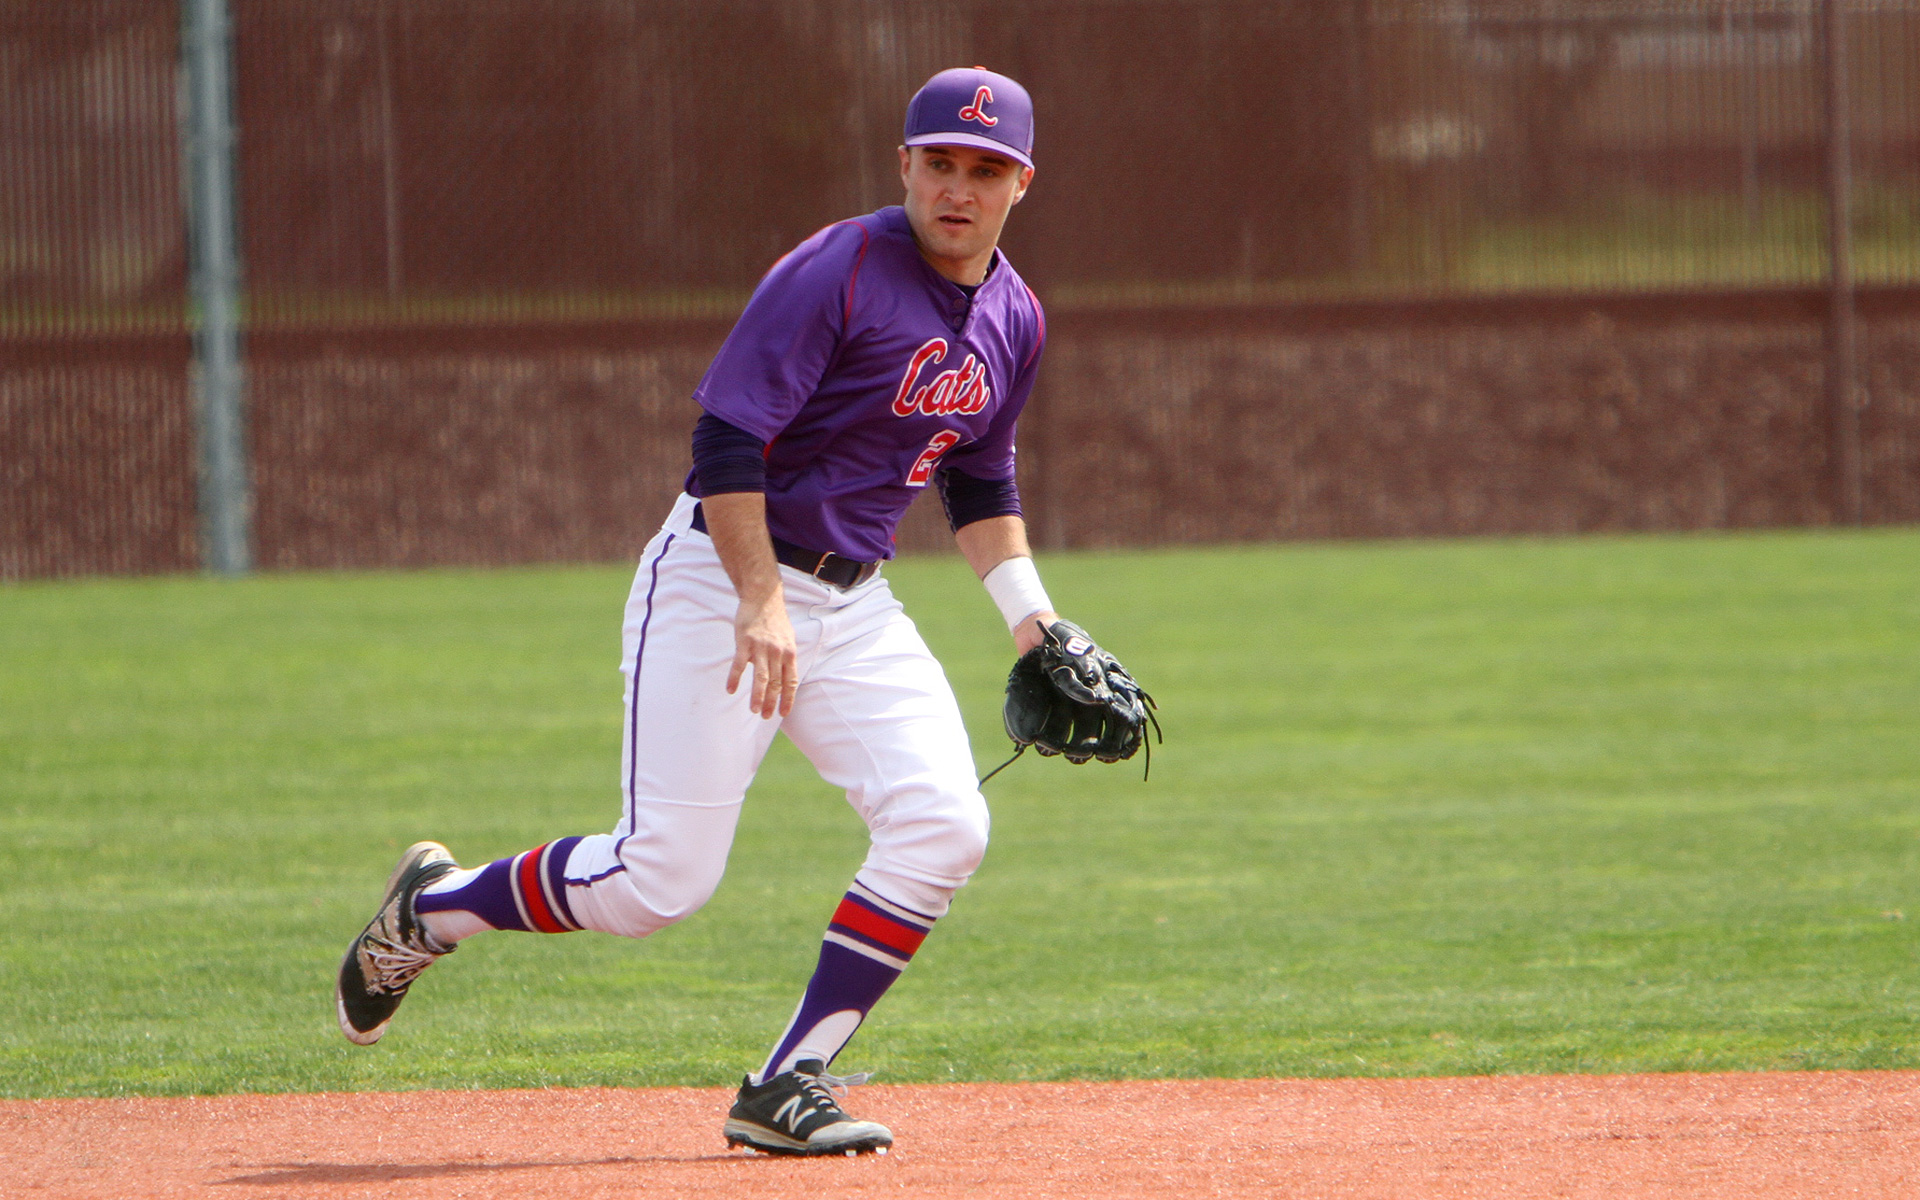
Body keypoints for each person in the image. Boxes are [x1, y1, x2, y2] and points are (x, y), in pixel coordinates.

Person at [335, 66, 1068, 1157]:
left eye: (986, 169)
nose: (959, 187)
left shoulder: (1015, 316)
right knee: (658, 881)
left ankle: (788, 1081)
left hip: (858, 605)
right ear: (905, 165)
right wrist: (759, 598)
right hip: (718, 579)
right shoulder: (842, 268)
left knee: (946, 824)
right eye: (941, 162)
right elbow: (729, 440)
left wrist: (1037, 627)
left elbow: (979, 480)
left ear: (1022, 183)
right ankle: (433, 909)